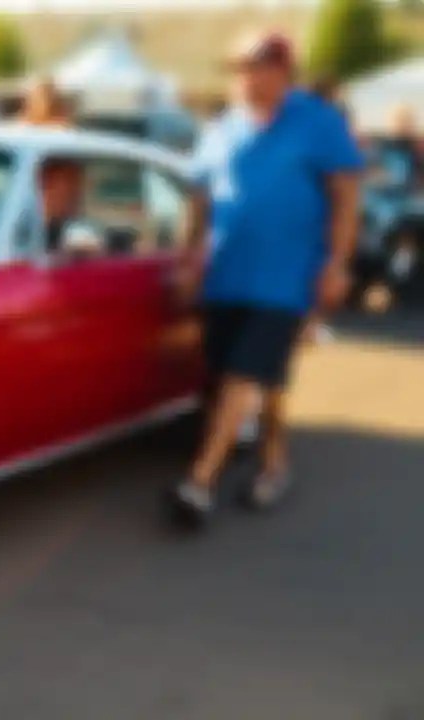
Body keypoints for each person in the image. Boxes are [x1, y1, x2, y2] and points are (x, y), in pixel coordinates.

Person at [169, 31, 363, 523]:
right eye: (237, 69)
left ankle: (200, 481)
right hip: (227, 274)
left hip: (287, 279)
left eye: (254, 68)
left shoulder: (318, 122)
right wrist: (189, 260)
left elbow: (346, 197)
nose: (244, 79)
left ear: (282, 71)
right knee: (254, 375)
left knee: (245, 372)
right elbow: (199, 199)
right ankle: (275, 464)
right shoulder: (221, 128)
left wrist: (337, 264)